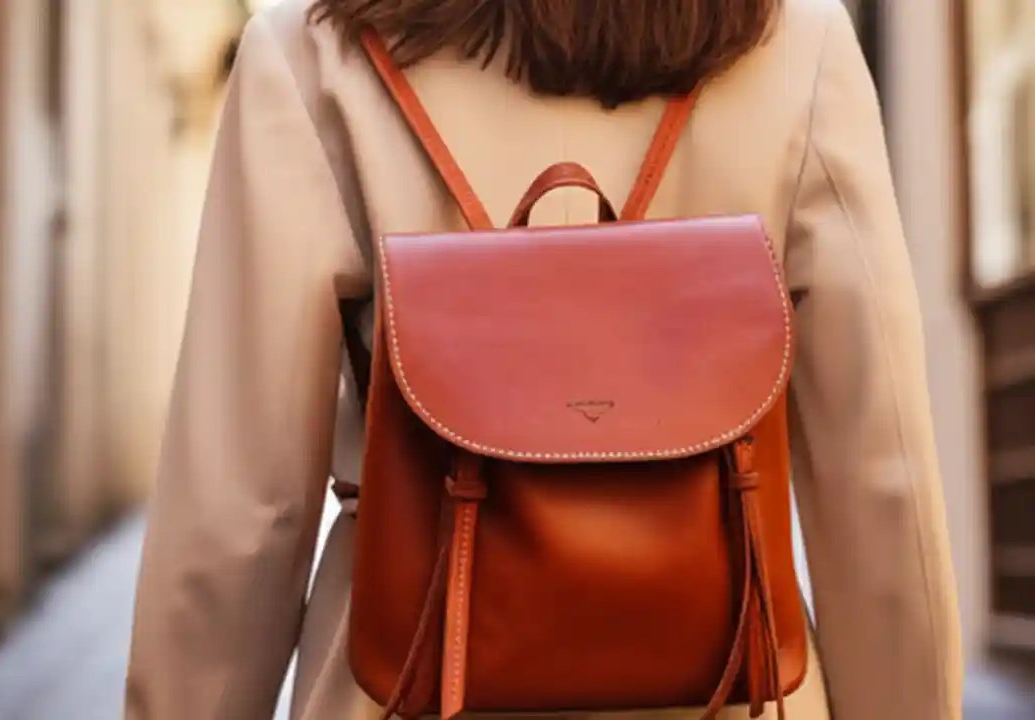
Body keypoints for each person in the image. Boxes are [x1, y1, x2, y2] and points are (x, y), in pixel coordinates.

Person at [124, 0, 963, 717]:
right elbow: (878, 468)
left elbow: (238, 504)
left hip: (405, 676)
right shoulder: (797, 37)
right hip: (730, 685)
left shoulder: (309, 48)